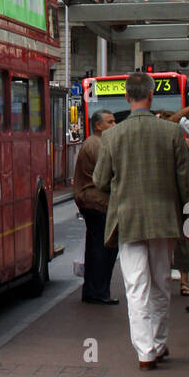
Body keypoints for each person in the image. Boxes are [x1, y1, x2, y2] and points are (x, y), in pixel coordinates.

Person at [92, 71, 189, 370]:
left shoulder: (111, 136)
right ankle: (159, 343)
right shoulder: (172, 133)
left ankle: (145, 351)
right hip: (165, 219)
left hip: (129, 219)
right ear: (151, 96)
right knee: (162, 283)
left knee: (136, 286)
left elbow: (99, 180)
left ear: (127, 97)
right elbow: (184, 182)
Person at [72, 110, 118, 304]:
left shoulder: (96, 143)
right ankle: (98, 291)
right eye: (110, 121)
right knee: (103, 248)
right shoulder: (96, 145)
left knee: (97, 246)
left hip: (93, 201)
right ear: (98, 125)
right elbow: (107, 174)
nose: (114, 125)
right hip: (97, 202)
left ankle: (94, 290)